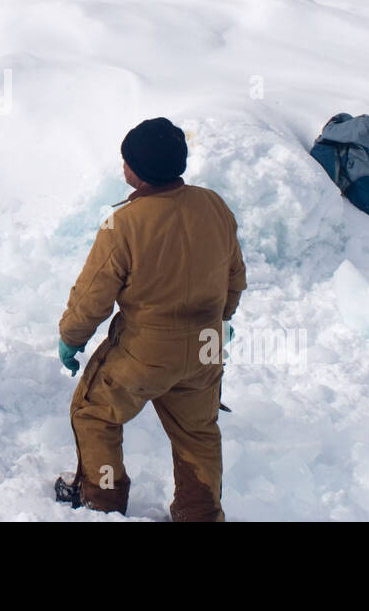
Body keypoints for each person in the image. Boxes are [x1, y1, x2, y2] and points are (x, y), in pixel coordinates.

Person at [54, 117, 247, 520]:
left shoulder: (122, 224)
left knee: (94, 415)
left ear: (137, 171)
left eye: (126, 160)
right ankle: (200, 513)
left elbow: (94, 294)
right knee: (198, 433)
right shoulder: (213, 205)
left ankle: (102, 501)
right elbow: (235, 275)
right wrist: (219, 319)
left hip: (146, 351)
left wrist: (72, 337)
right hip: (206, 347)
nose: (122, 166)